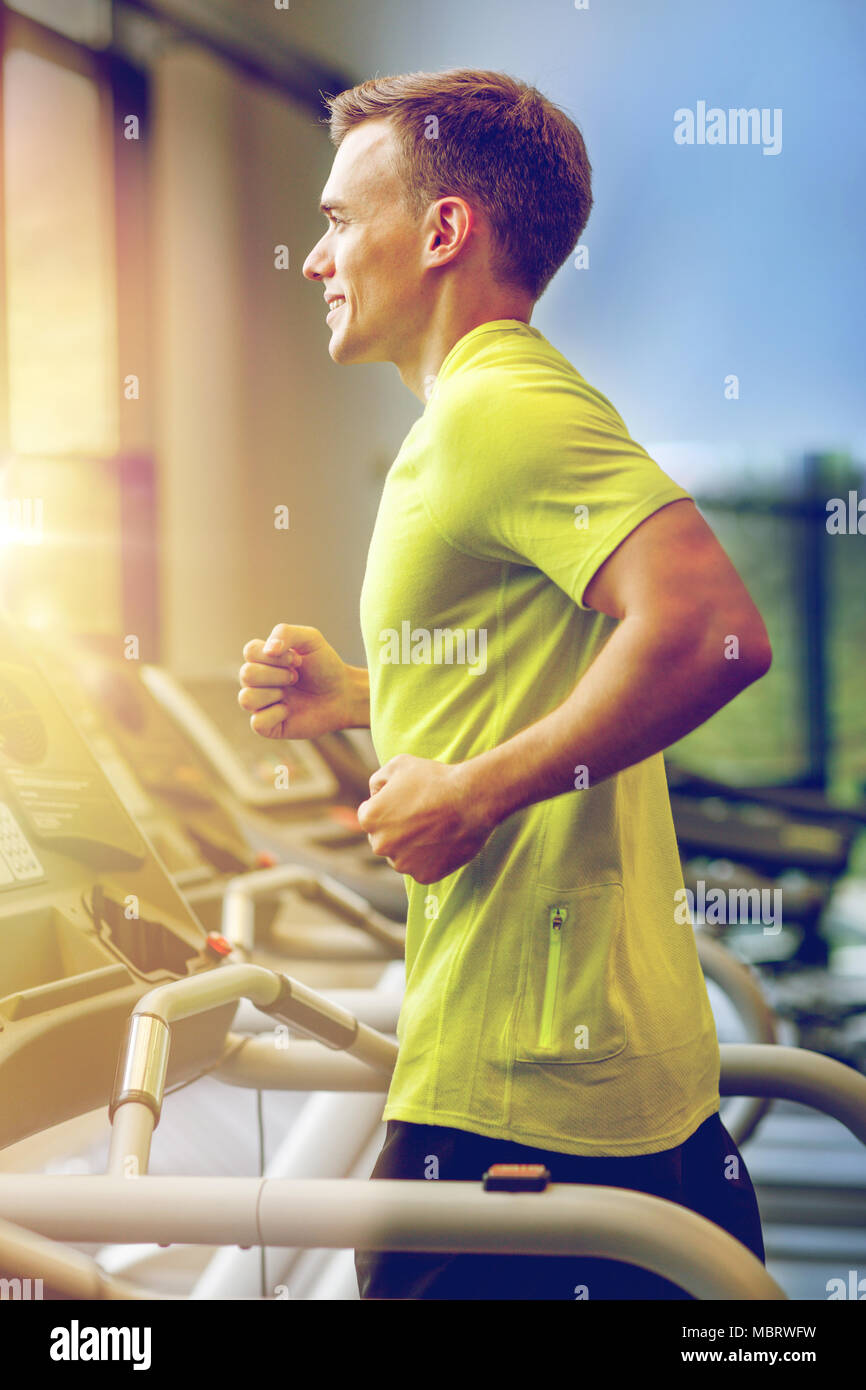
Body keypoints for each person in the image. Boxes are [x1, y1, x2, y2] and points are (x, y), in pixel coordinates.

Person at [238, 69, 771, 1300]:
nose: (315, 260)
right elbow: (553, 660)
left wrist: (472, 791)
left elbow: (711, 631)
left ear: (440, 231)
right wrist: (367, 694)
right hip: (597, 1080)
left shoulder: (496, 405)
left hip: (525, 1106)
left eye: (333, 222)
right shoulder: (479, 417)